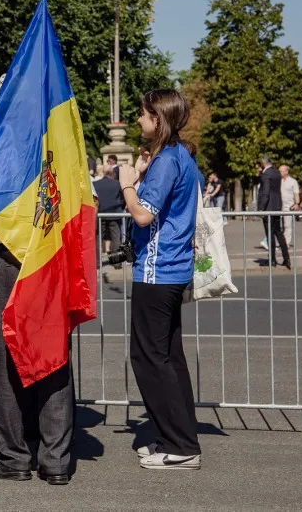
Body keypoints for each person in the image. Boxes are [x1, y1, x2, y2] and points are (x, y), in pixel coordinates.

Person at [0, 73, 81, 485]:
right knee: (51, 353)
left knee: (4, 358)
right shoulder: (53, 142)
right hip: (49, 258)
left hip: (9, 259)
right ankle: (55, 458)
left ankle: (13, 453)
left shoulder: (4, 146)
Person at [116, 89, 203, 471]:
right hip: (173, 267)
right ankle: (177, 437)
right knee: (169, 357)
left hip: (157, 269)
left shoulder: (168, 160)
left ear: (159, 119)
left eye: (143, 114)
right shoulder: (180, 156)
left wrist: (127, 182)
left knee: (150, 358)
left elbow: (143, 215)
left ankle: (180, 445)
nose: (139, 120)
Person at [258, 155, 290, 269]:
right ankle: (286, 258)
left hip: (268, 207)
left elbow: (265, 192)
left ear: (263, 163)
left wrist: (261, 208)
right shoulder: (277, 173)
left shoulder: (265, 175)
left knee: (269, 234)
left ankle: (272, 260)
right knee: (279, 232)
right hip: (277, 205)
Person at [93, 157, 125, 262]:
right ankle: (116, 261)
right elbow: (122, 197)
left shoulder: (95, 184)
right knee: (116, 238)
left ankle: (97, 262)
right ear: (112, 173)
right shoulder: (116, 184)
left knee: (98, 238)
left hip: (100, 213)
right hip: (114, 213)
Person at [279, 165, 300, 247]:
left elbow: (296, 193)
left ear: (286, 172)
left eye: (280, 171)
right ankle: (281, 241)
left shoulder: (293, 181)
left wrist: (296, 204)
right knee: (279, 225)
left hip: (288, 206)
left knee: (287, 225)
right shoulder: (278, 181)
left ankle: (286, 243)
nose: (279, 172)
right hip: (279, 205)